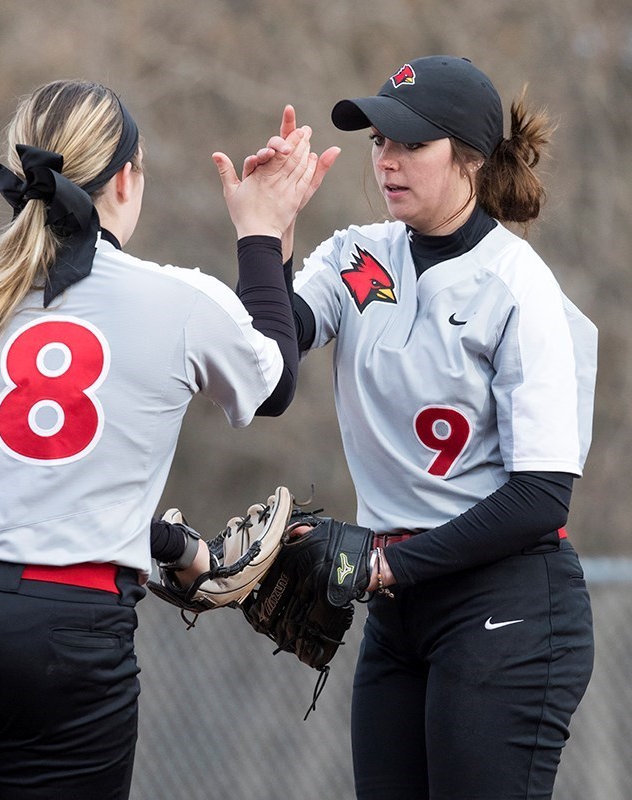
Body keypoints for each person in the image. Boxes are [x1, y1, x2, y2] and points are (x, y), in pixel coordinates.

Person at [0, 79, 334, 800]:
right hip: (63, 628)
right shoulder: (176, 301)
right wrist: (263, 231)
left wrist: (170, 545)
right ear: (127, 179)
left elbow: (12, 495)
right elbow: (275, 382)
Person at [254, 55, 598, 798]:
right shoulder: (359, 257)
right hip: (401, 610)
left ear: (471, 157)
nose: (387, 159)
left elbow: (542, 496)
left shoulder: (517, 285)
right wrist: (265, 236)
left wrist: (385, 566)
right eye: (380, 141)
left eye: (413, 143)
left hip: (505, 600)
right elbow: (267, 372)